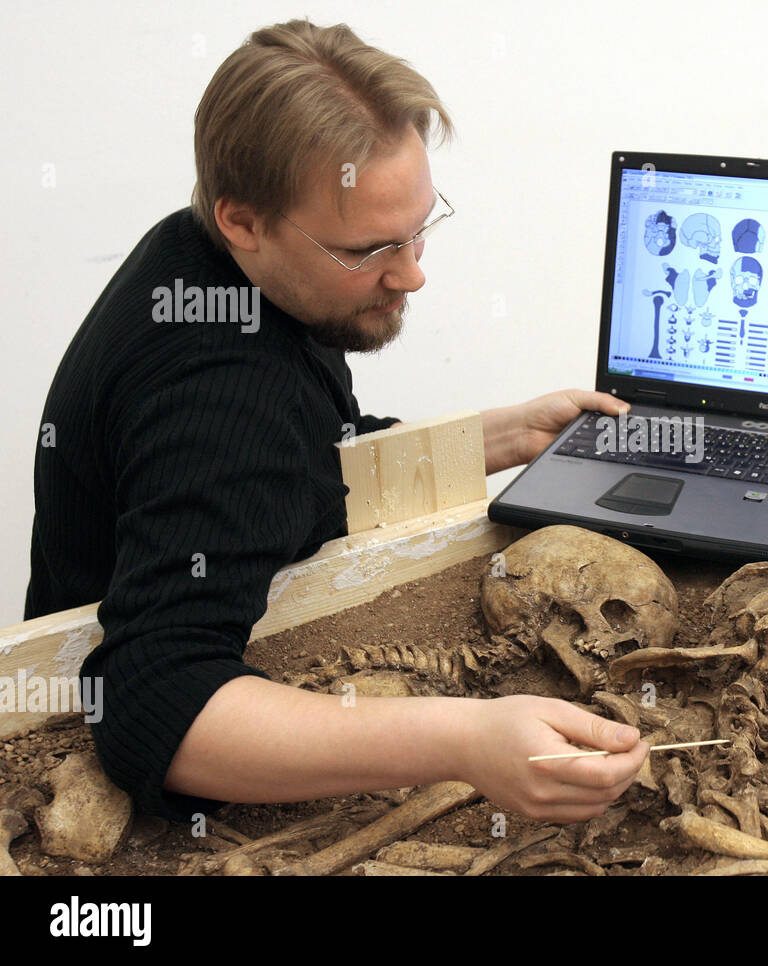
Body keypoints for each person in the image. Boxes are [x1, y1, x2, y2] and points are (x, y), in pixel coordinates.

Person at [24, 19, 648, 825]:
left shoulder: (207, 260)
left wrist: (495, 438)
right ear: (244, 220)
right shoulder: (220, 393)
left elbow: (304, 456)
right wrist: (464, 741)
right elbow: (150, 706)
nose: (413, 273)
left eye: (420, 227)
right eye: (369, 250)